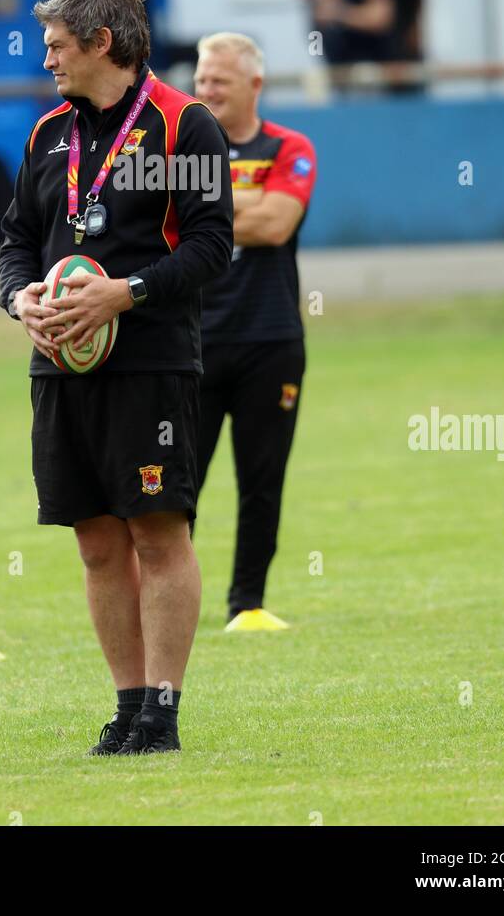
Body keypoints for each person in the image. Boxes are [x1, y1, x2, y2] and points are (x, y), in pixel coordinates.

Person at [0, 0, 232, 755]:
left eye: (59, 44)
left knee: (158, 533)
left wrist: (123, 294)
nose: (48, 58)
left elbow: (211, 245)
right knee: (96, 539)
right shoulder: (47, 136)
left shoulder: (183, 125)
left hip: (152, 364)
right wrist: (20, 299)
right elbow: (17, 243)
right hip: (58, 365)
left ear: (102, 42)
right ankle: (127, 705)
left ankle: (163, 709)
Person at [193, 32, 316, 630]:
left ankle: (247, 606)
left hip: (270, 343)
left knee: (261, 481)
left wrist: (201, 217)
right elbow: (160, 228)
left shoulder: (290, 146)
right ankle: (170, 604)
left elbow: (274, 224)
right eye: (201, 79)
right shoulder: (181, 153)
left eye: (220, 80)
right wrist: (240, 207)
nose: (207, 90)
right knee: (173, 489)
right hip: (191, 343)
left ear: (255, 85)